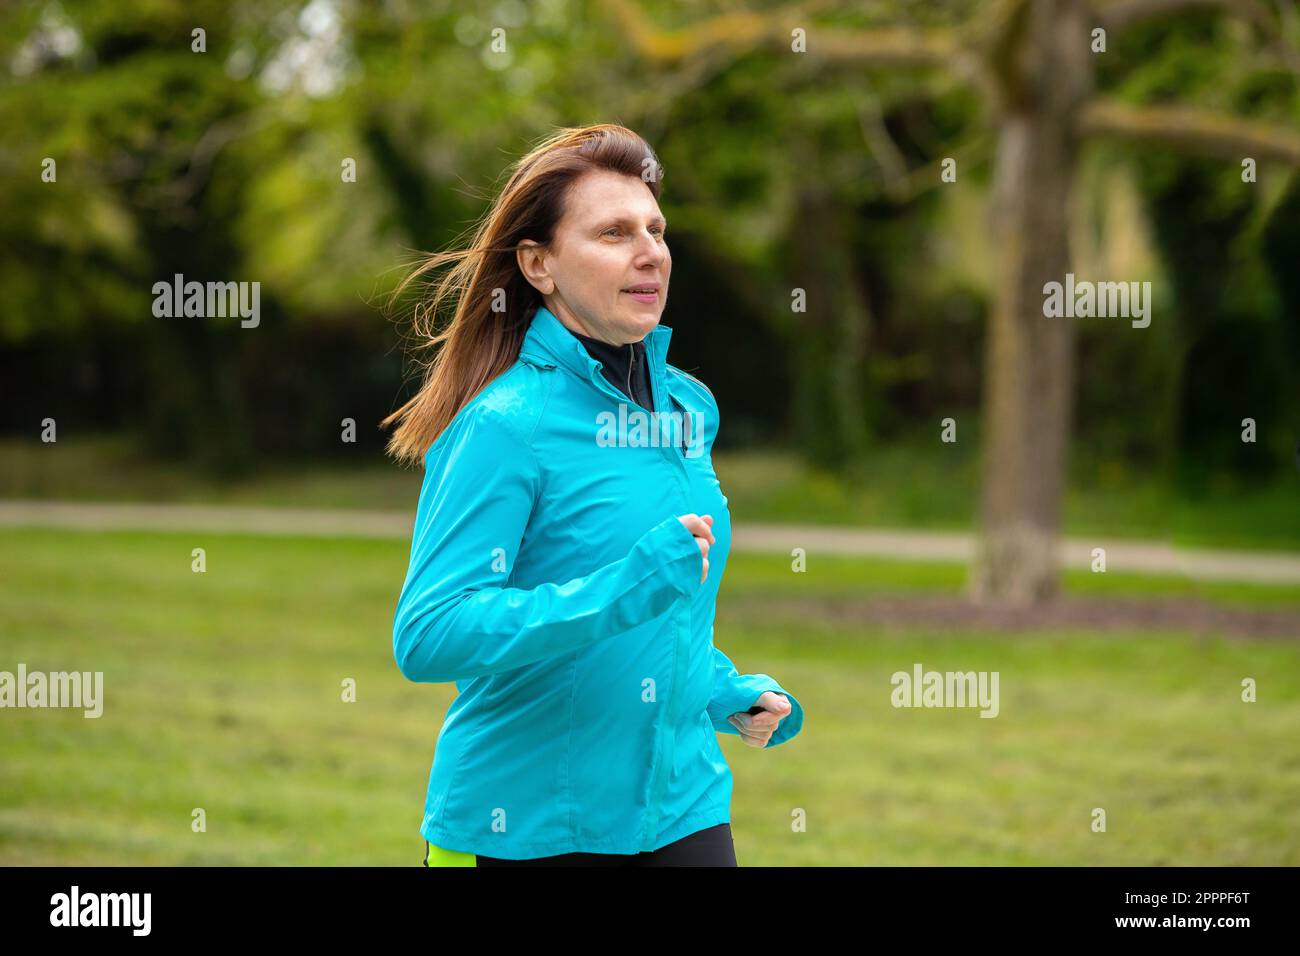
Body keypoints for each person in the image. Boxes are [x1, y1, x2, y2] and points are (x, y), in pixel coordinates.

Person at [383, 124, 804, 867]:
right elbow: (429, 636)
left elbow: (663, 615)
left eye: (655, 228)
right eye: (613, 232)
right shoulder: (506, 426)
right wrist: (621, 588)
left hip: (683, 810)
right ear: (538, 265)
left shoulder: (686, 410)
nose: (650, 251)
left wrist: (722, 688)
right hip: (526, 825)